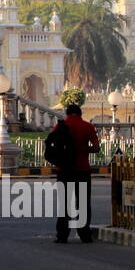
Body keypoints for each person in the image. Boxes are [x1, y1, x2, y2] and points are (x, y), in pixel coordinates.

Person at [53, 104, 101, 244]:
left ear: (67, 114)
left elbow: (53, 146)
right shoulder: (87, 126)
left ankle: (62, 235)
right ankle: (84, 234)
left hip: (64, 170)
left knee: (64, 204)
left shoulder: (60, 126)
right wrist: (83, 149)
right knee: (83, 203)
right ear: (80, 113)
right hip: (82, 170)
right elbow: (96, 148)